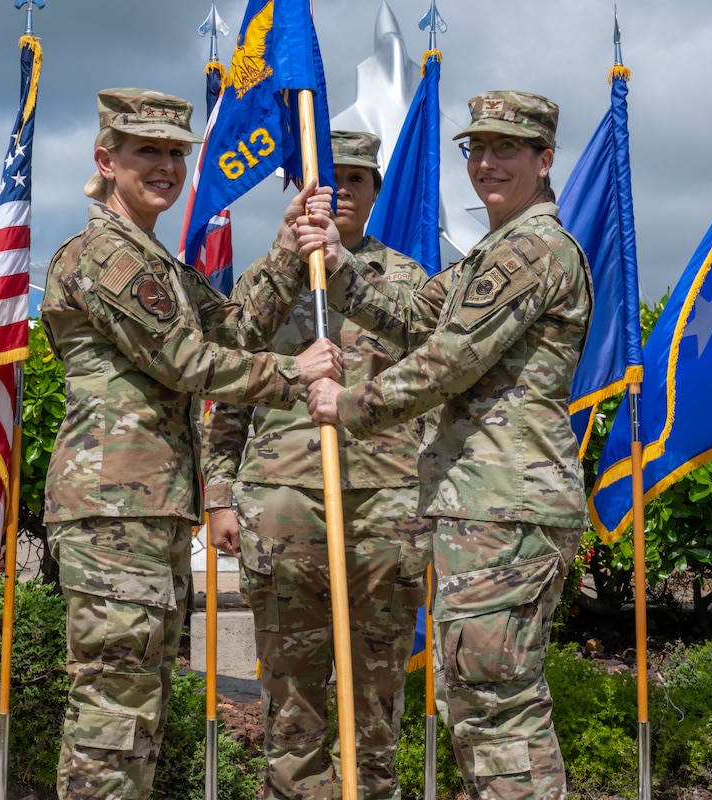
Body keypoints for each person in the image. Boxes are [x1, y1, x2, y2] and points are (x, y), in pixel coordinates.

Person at [40, 87, 341, 800]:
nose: (167, 166)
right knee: (113, 715)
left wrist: (286, 244)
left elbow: (234, 329)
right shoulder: (103, 256)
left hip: (150, 511)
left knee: (138, 709)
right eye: (148, 150)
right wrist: (293, 375)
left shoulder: (159, 265)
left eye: (177, 152)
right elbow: (188, 362)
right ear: (105, 160)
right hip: (114, 511)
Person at [299, 92, 593, 799]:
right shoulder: (488, 256)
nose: (487, 163)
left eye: (507, 150)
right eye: (476, 150)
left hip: (506, 505)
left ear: (544, 159)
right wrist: (337, 263)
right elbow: (410, 316)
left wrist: (349, 406)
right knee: (478, 698)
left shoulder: (532, 249)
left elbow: (447, 361)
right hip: (485, 504)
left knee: (496, 704)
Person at [202, 131, 432, 800]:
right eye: (330, 181)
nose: (343, 194)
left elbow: (442, 384)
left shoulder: (410, 283)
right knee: (291, 694)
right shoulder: (267, 281)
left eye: (357, 180)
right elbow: (227, 387)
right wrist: (220, 494)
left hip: (387, 507)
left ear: (375, 191)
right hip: (283, 505)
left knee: (378, 693)